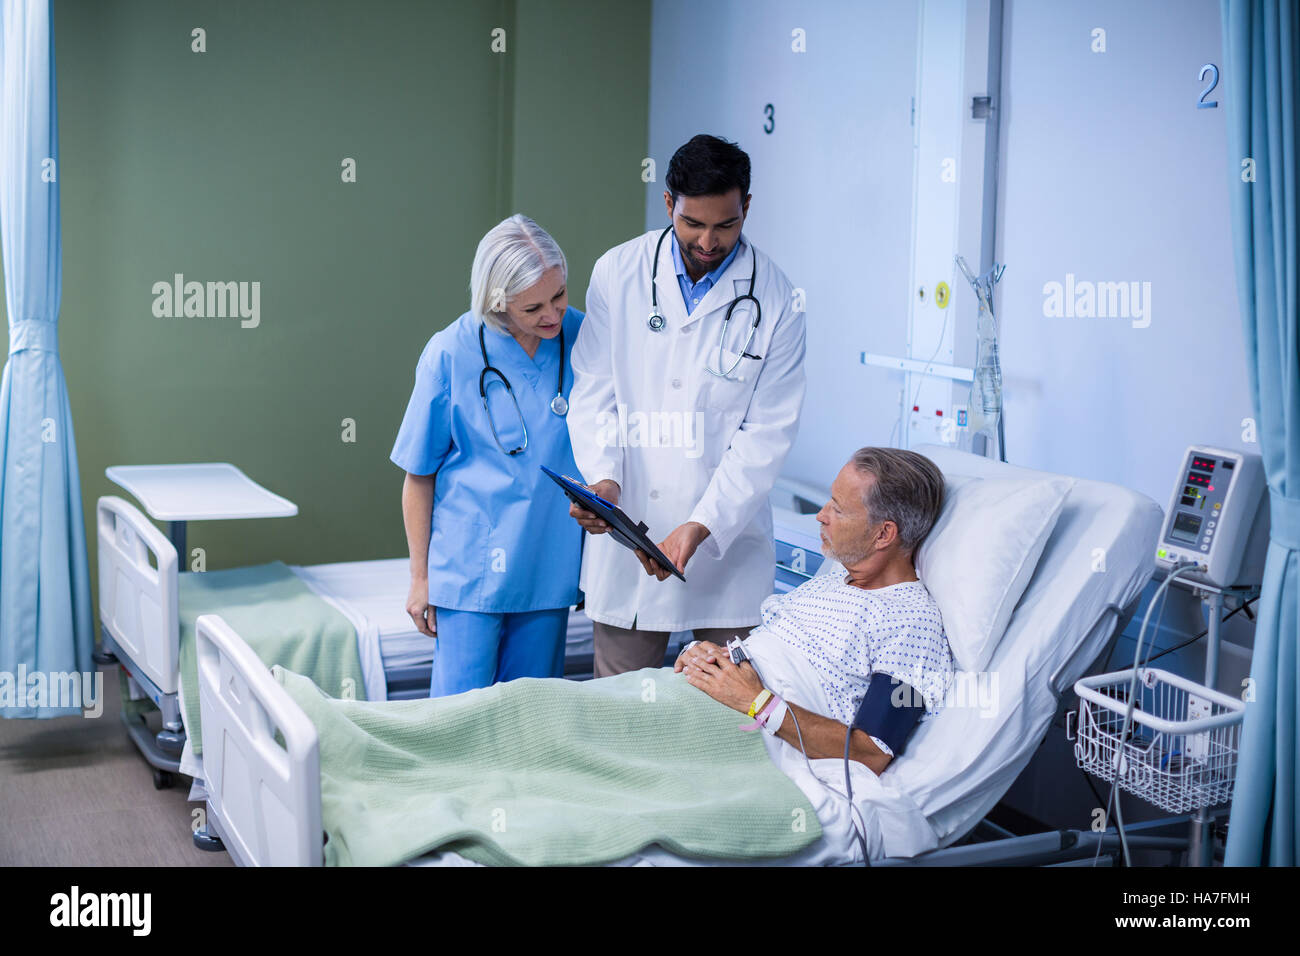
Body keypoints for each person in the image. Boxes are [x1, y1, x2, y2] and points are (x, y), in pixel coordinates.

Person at [566, 134, 807, 677]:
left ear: (746, 206)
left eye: (725, 225)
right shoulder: (618, 272)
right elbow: (593, 389)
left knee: (729, 715)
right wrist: (603, 482)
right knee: (620, 712)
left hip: (728, 545)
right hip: (630, 531)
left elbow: (766, 435)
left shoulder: (777, 300)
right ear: (669, 203)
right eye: (693, 223)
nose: (707, 241)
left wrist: (700, 525)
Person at [391, 215, 583, 697]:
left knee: (531, 720)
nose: (553, 315)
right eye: (533, 306)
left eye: (559, 296)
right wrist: (420, 579)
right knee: (458, 723)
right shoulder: (449, 354)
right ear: (497, 302)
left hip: (547, 561)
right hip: (469, 567)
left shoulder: (583, 336)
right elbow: (419, 478)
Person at [676, 448, 956, 773]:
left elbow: (872, 751)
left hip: (745, 729)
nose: (821, 515)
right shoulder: (833, 581)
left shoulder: (912, 623)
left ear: (884, 533)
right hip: (709, 697)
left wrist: (757, 702)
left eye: (838, 509)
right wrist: (706, 656)